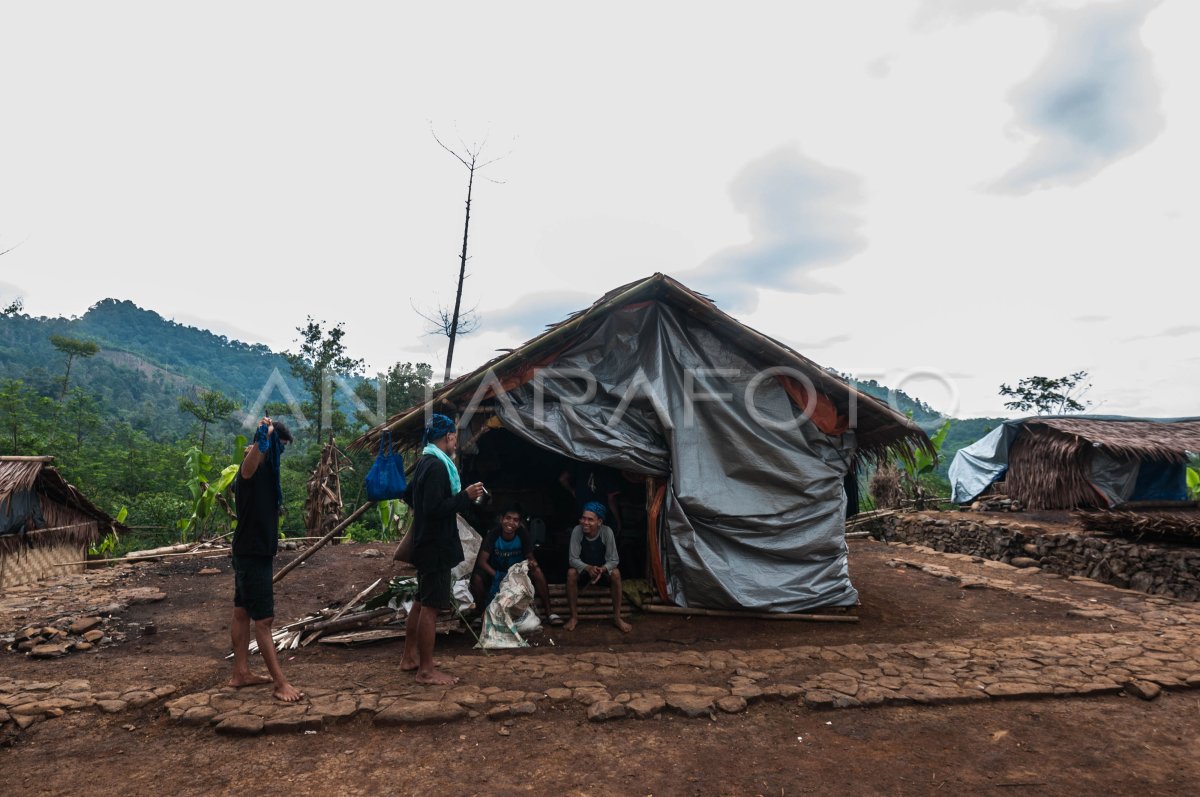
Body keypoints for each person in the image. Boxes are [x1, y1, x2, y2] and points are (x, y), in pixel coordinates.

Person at [399, 413, 485, 685]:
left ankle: (409, 657)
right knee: (432, 608)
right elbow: (435, 509)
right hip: (435, 545)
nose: (456, 442)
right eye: (455, 437)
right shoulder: (437, 466)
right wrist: (465, 497)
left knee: (421, 601)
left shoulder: (425, 461)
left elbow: (408, 494)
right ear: (448, 436)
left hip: (425, 542)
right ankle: (425, 671)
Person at [229, 416, 303, 702]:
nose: (281, 453)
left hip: (249, 551)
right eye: (280, 447)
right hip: (253, 553)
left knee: (242, 612)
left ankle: (241, 673)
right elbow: (248, 467)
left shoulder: (267, 473)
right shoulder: (252, 470)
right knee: (264, 619)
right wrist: (264, 436)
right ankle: (280, 683)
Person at [470, 506, 560, 625]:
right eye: (508, 518)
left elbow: (530, 558)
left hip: (517, 575)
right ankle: (481, 614)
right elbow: (482, 561)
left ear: (519, 523)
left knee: (537, 571)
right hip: (495, 573)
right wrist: (498, 575)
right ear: (501, 519)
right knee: (476, 577)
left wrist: (532, 564)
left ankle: (549, 613)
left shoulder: (522, 534)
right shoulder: (493, 534)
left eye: (515, 520)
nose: (511, 522)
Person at [565, 501, 631, 633]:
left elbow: (614, 559)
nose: (585, 522)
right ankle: (574, 617)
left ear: (599, 522)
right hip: (584, 572)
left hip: (602, 572)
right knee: (571, 573)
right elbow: (573, 559)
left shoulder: (607, 532)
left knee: (616, 574)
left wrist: (602, 569)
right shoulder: (577, 531)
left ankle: (617, 618)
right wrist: (588, 568)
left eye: (590, 519)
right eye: (583, 518)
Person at [560, 461, 622, 536]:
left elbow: (562, 479)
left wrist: (573, 491)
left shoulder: (578, 461)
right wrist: (618, 521)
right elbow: (611, 498)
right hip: (601, 517)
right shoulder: (608, 466)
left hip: (581, 513)